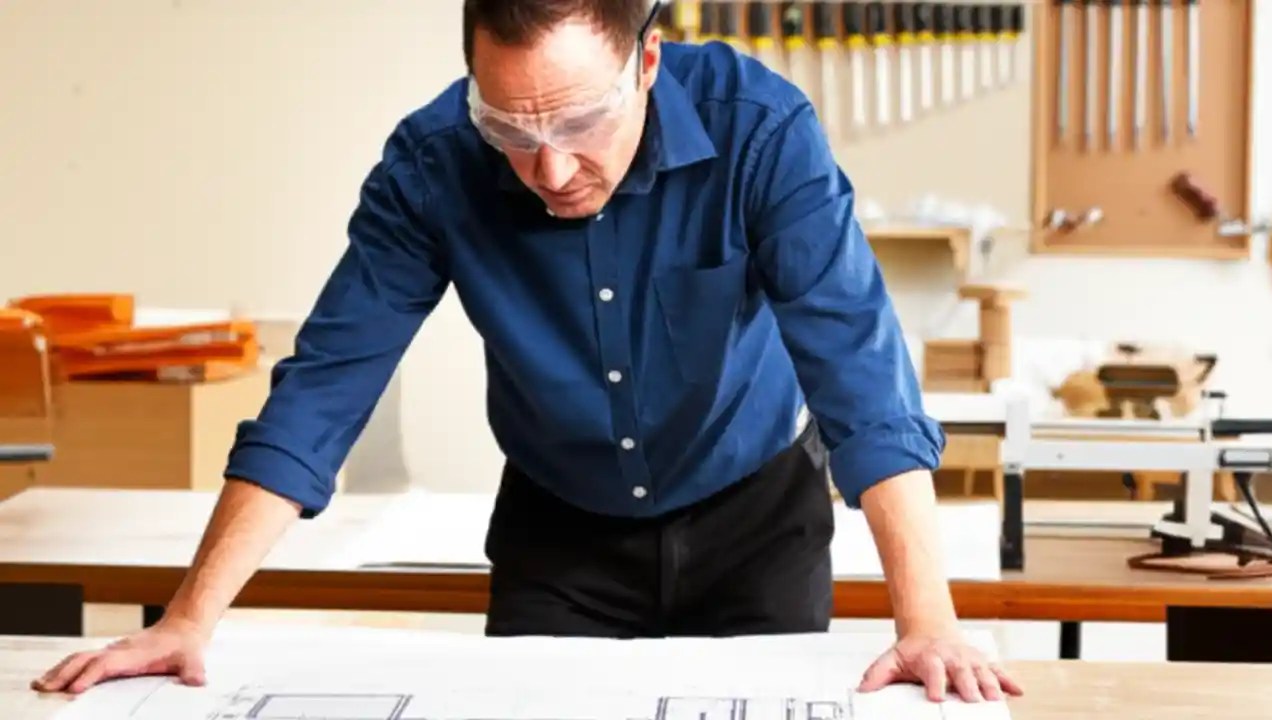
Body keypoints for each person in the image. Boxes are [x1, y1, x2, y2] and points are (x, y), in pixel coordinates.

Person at [34, 0, 1021, 704]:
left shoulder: (760, 133)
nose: (549, 170)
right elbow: (323, 391)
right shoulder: (430, 164)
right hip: (559, 536)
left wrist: (925, 621)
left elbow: (857, 372)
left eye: (582, 122)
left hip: (754, 523)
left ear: (646, 63)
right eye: (508, 125)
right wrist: (187, 620)